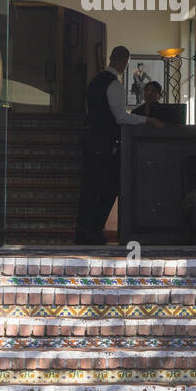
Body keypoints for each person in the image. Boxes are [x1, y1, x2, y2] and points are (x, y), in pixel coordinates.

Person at [75, 45, 164, 245]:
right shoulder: (114, 84)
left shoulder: (95, 82)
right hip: (106, 145)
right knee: (108, 188)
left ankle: (84, 231)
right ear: (124, 62)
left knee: (89, 189)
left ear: (110, 58)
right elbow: (121, 117)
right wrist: (148, 120)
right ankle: (93, 230)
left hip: (92, 141)